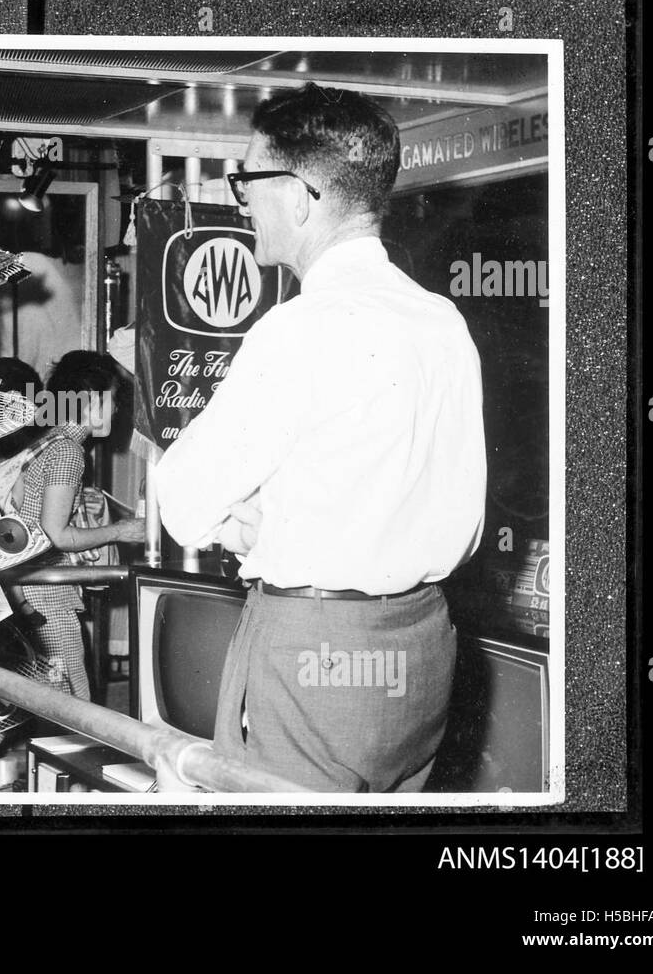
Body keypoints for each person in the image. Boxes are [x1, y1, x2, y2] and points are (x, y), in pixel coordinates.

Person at [155, 83, 486, 793]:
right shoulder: (442, 323)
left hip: (315, 653)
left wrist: (249, 527)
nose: (241, 198)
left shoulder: (299, 327)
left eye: (247, 179)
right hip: (424, 649)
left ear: (300, 197)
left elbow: (181, 501)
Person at [14, 351, 145, 700]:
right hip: (47, 596)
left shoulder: (46, 442)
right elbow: (56, 534)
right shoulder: (69, 452)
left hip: (25, 591)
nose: (116, 410)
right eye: (113, 400)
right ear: (91, 400)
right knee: (73, 704)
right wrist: (122, 530)